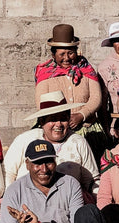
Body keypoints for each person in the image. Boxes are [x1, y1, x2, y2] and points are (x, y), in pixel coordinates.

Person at [3, 92, 98, 196]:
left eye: (63, 119)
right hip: (24, 199)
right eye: (52, 119)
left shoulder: (78, 142)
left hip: (67, 202)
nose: (58, 124)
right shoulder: (26, 139)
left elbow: (91, 180)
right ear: (42, 121)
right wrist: (11, 197)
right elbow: (8, 172)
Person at [35, 23, 106, 155]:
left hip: (87, 128)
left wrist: (82, 114)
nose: (67, 58)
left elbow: (96, 97)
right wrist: (62, 120)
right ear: (53, 55)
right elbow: (41, 104)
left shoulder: (87, 70)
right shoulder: (45, 73)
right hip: (57, 129)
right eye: (62, 54)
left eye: (70, 53)